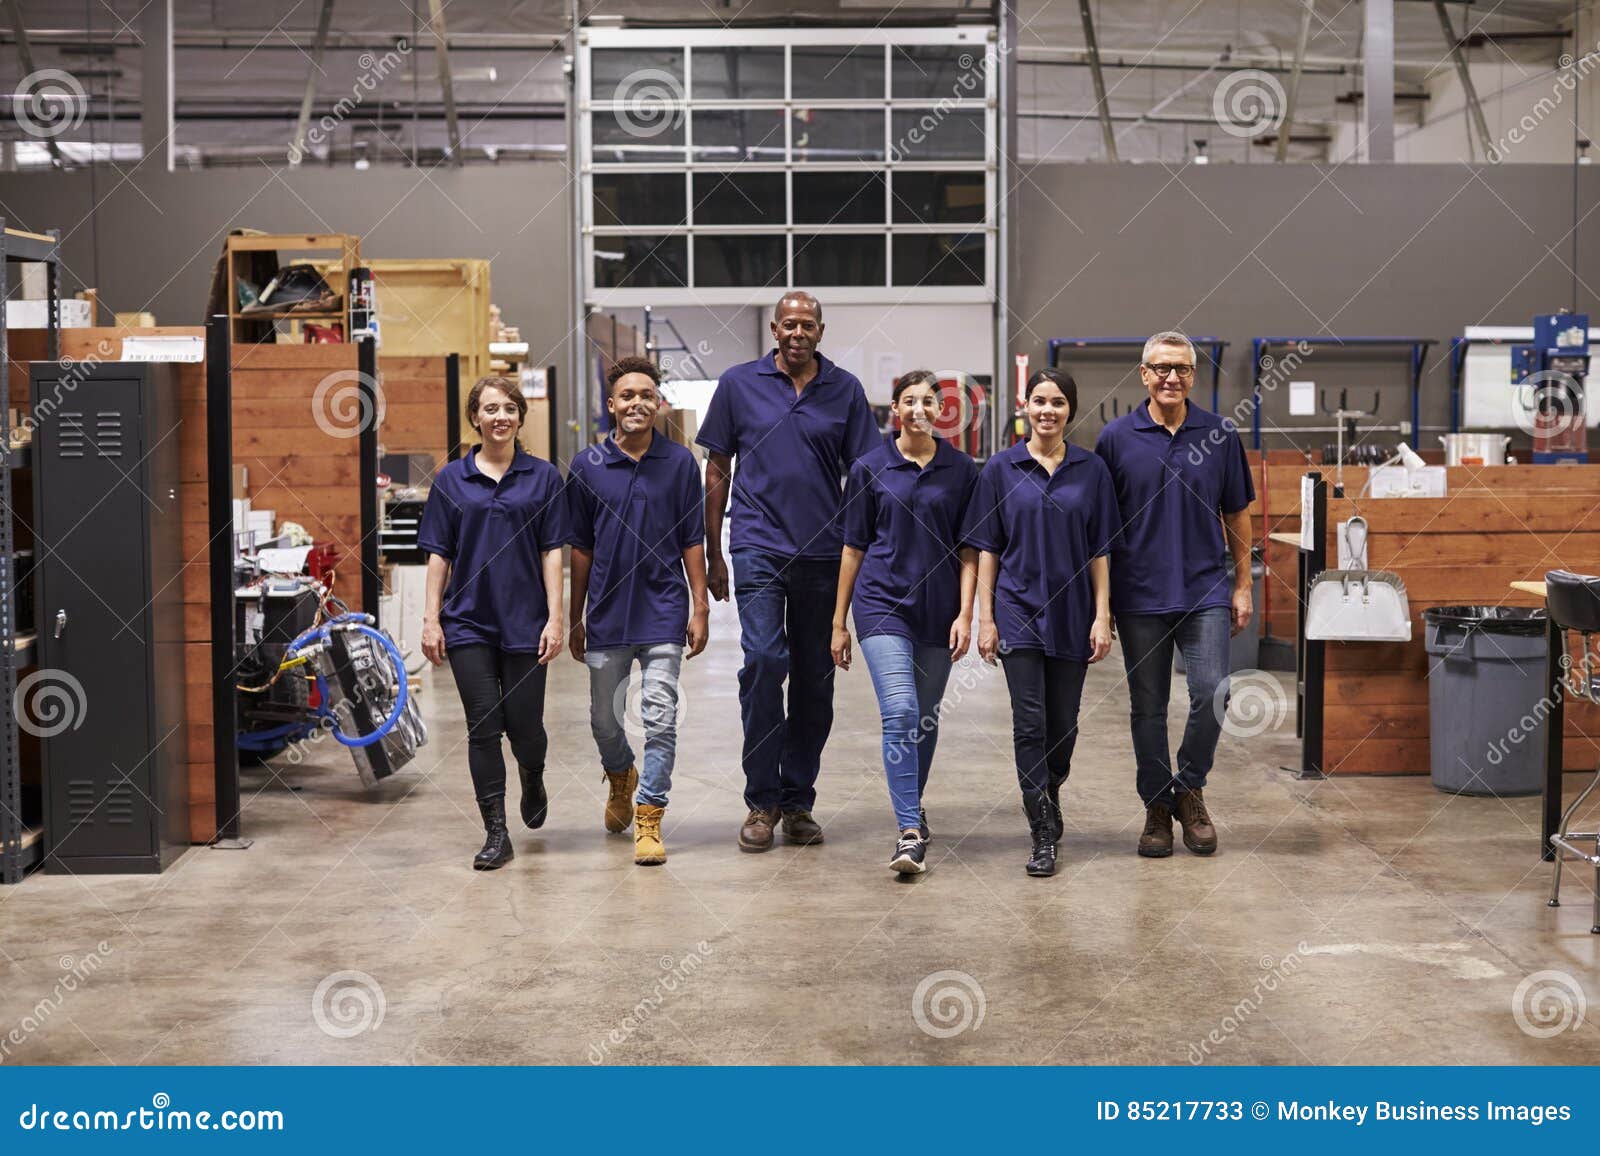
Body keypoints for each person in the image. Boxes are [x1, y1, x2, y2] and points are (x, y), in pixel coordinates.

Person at [697, 291, 880, 853]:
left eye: (808, 325)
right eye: (789, 325)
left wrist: (864, 551)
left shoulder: (845, 390)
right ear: (774, 329)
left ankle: (798, 801)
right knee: (762, 661)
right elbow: (717, 469)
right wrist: (714, 552)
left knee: (814, 678)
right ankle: (761, 800)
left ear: (821, 331)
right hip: (757, 545)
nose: (798, 333)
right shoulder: (738, 384)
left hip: (824, 553)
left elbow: (867, 475)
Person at [1095, 331, 1255, 859]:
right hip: (1138, 594)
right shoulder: (1116, 438)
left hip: (1204, 589)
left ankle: (1187, 786)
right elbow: (1101, 526)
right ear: (1143, 374)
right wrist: (1101, 602)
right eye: (1161, 368)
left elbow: (1237, 513)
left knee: (1213, 693)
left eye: (1182, 368)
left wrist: (1243, 583)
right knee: (1148, 707)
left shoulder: (1219, 434)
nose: (1171, 378)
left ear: (1193, 375)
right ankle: (1157, 808)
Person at [960, 369, 1119, 878]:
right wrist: (986, 618)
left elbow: (1101, 550)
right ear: (1025, 407)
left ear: (1070, 410)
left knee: (1063, 726)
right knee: (1029, 722)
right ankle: (1041, 829)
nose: (1047, 410)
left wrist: (1102, 615)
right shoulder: (1000, 470)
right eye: (1039, 401)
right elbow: (987, 547)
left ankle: (1049, 789)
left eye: (1057, 402)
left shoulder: (1092, 470)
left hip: (1073, 612)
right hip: (1017, 608)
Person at [831, 370, 979, 876]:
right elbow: (853, 547)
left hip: (939, 609)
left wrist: (966, 613)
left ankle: (912, 804)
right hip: (881, 602)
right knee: (900, 710)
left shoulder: (962, 469)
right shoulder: (870, 468)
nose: (919, 409)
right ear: (895, 410)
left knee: (925, 716)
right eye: (909, 401)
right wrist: (839, 621)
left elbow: (970, 549)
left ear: (941, 410)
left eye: (928, 401)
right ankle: (909, 830)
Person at [419, 376, 568, 871]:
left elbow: (552, 552)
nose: (500, 416)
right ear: (475, 418)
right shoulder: (451, 480)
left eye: (508, 408)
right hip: (468, 622)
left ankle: (532, 772)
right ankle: (496, 833)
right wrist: (431, 619)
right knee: (483, 727)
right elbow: (439, 554)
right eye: (489, 409)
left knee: (525, 726)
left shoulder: (544, 477)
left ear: (520, 416)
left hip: (525, 621)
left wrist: (556, 617)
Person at [566, 356, 709, 866]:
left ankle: (649, 814)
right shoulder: (587, 466)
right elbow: (580, 547)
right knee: (604, 721)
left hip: (663, 608)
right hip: (607, 611)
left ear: (658, 403)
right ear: (611, 404)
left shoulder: (680, 463)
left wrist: (700, 607)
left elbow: (693, 539)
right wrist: (575, 616)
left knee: (660, 719)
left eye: (647, 395)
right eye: (627, 395)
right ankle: (621, 773)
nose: (637, 403)